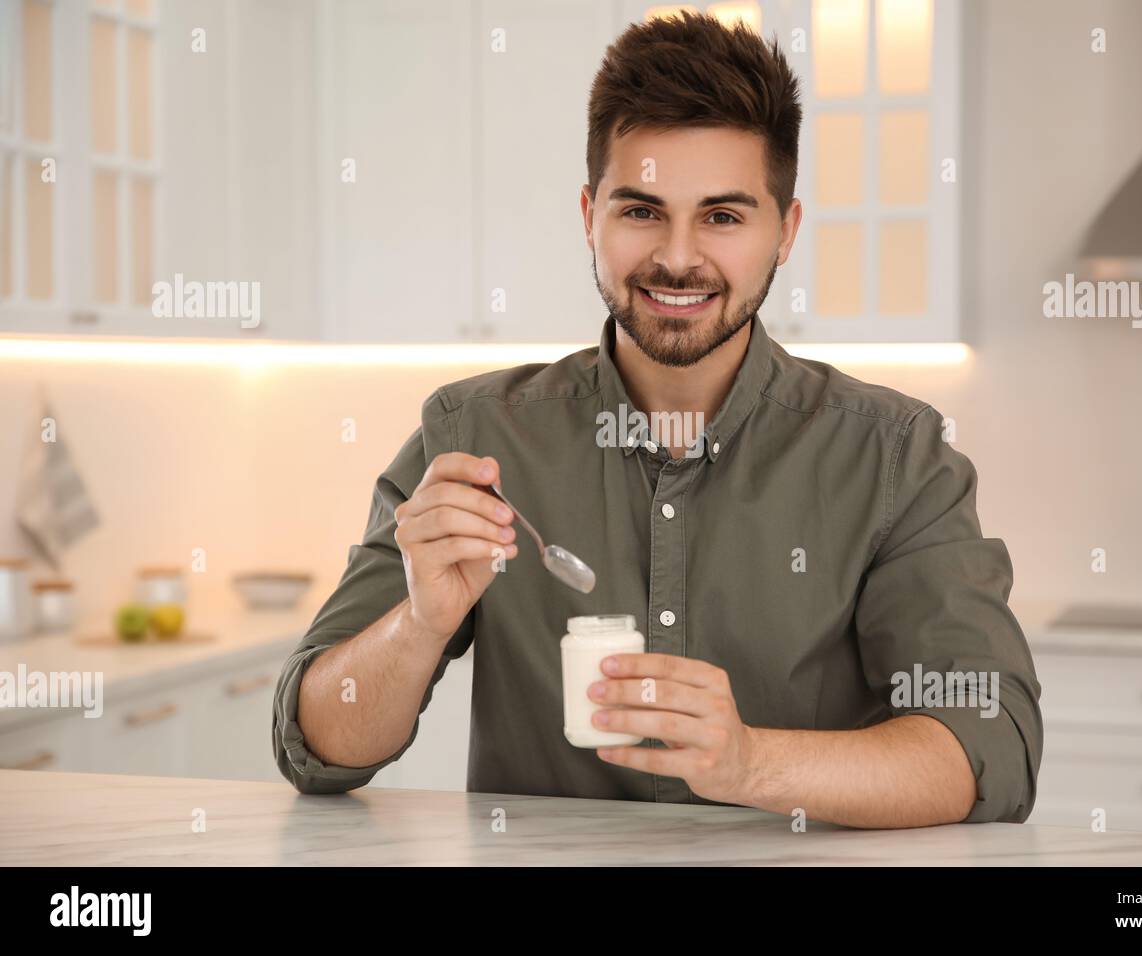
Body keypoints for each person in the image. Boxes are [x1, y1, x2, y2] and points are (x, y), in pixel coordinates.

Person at [273, 11, 1042, 828]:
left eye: (723, 216)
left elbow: (988, 746)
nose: (678, 257)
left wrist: (750, 761)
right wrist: (419, 624)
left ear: (785, 232)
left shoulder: (894, 456)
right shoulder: (473, 435)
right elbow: (316, 746)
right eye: (641, 211)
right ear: (589, 215)